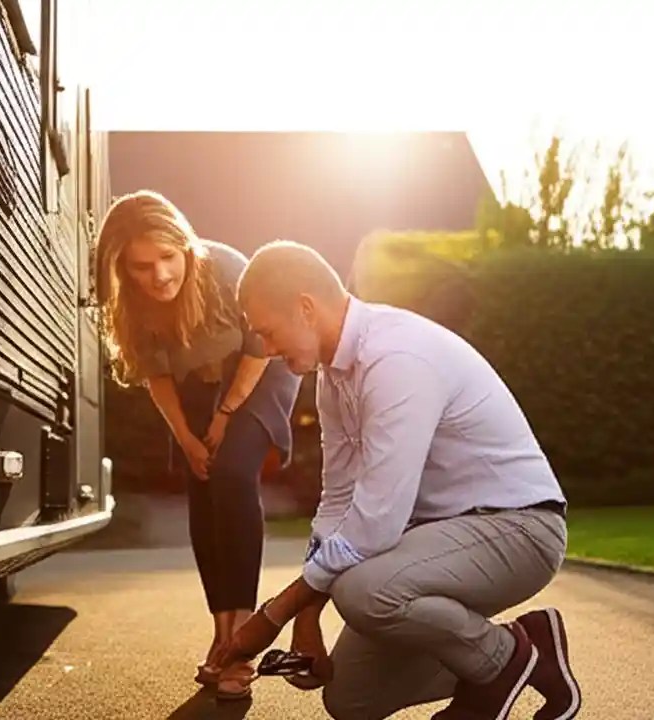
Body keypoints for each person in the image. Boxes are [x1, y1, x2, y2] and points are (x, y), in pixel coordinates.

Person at [220, 240, 582, 720]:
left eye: (266, 332)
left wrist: (275, 612)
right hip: (438, 541)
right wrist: (308, 617)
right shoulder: (334, 377)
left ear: (305, 308)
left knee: (363, 591)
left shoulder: (397, 358)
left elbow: (378, 522)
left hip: (518, 529)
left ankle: (501, 660)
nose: (264, 350)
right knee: (351, 698)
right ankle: (532, 649)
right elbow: (339, 500)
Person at [94, 191, 301, 700]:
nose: (160, 275)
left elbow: (259, 348)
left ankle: (242, 641)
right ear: (122, 267)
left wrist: (228, 412)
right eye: (142, 266)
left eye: (169, 257)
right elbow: (158, 379)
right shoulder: (133, 305)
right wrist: (187, 439)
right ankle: (221, 631)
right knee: (204, 481)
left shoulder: (227, 271)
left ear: (185, 246)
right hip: (199, 386)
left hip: (258, 375)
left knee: (231, 473)